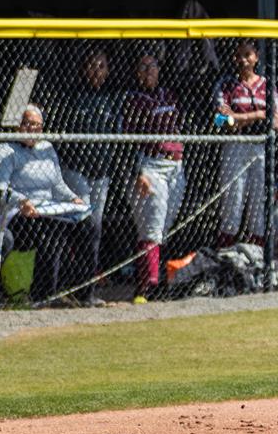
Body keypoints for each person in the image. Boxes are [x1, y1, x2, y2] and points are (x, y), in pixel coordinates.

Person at [0, 104, 90, 304]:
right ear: (17, 126)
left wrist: (73, 198)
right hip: (17, 212)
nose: (33, 129)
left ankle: (80, 291)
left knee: (89, 225)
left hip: (49, 208)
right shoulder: (4, 151)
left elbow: (57, 183)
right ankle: (44, 296)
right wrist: (21, 200)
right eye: (28, 124)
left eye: (38, 125)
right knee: (51, 233)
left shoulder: (46, 147)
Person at [54, 49, 125, 305]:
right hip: (76, 170)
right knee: (83, 225)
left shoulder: (112, 98)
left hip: (101, 173)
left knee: (95, 228)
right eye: (92, 66)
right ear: (84, 69)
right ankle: (67, 283)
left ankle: (87, 291)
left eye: (102, 66)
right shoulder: (73, 96)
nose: (97, 71)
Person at [123, 52, 186, 302]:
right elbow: (126, 142)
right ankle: (144, 289)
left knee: (164, 227)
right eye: (143, 68)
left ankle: (160, 283)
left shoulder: (169, 94)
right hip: (149, 165)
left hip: (176, 166)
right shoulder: (132, 99)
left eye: (152, 67)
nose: (148, 72)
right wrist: (138, 172)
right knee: (152, 226)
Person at [211, 40, 278, 246]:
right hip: (235, 145)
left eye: (248, 55)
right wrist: (260, 114)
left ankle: (255, 257)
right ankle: (226, 256)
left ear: (256, 57)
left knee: (258, 206)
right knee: (232, 203)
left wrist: (239, 117)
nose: (243, 60)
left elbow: (276, 122)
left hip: (260, 147)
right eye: (239, 55)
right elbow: (221, 120)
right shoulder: (226, 84)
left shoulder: (267, 85)